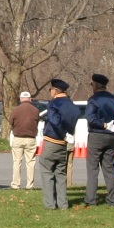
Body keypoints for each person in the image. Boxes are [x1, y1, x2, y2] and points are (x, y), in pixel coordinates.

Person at [39, 78, 80, 210]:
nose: (50, 92)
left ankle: (50, 204)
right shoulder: (73, 106)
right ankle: (63, 204)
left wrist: (62, 133)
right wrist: (66, 135)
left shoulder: (54, 104)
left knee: (47, 172)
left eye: (51, 89)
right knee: (60, 173)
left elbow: (53, 120)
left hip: (52, 140)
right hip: (64, 143)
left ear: (55, 91)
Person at [84, 73, 114, 207]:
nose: (92, 86)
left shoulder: (93, 99)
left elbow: (90, 117)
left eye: (92, 84)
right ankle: (112, 199)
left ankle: (91, 199)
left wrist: (103, 124)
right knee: (110, 169)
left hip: (97, 135)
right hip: (111, 136)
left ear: (97, 85)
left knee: (93, 169)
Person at [9, 90, 39, 190]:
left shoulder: (16, 109)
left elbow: (11, 122)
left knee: (17, 162)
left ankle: (15, 184)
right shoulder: (35, 110)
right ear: (30, 99)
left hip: (18, 138)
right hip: (31, 139)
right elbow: (37, 122)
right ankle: (30, 185)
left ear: (21, 99)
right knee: (30, 162)